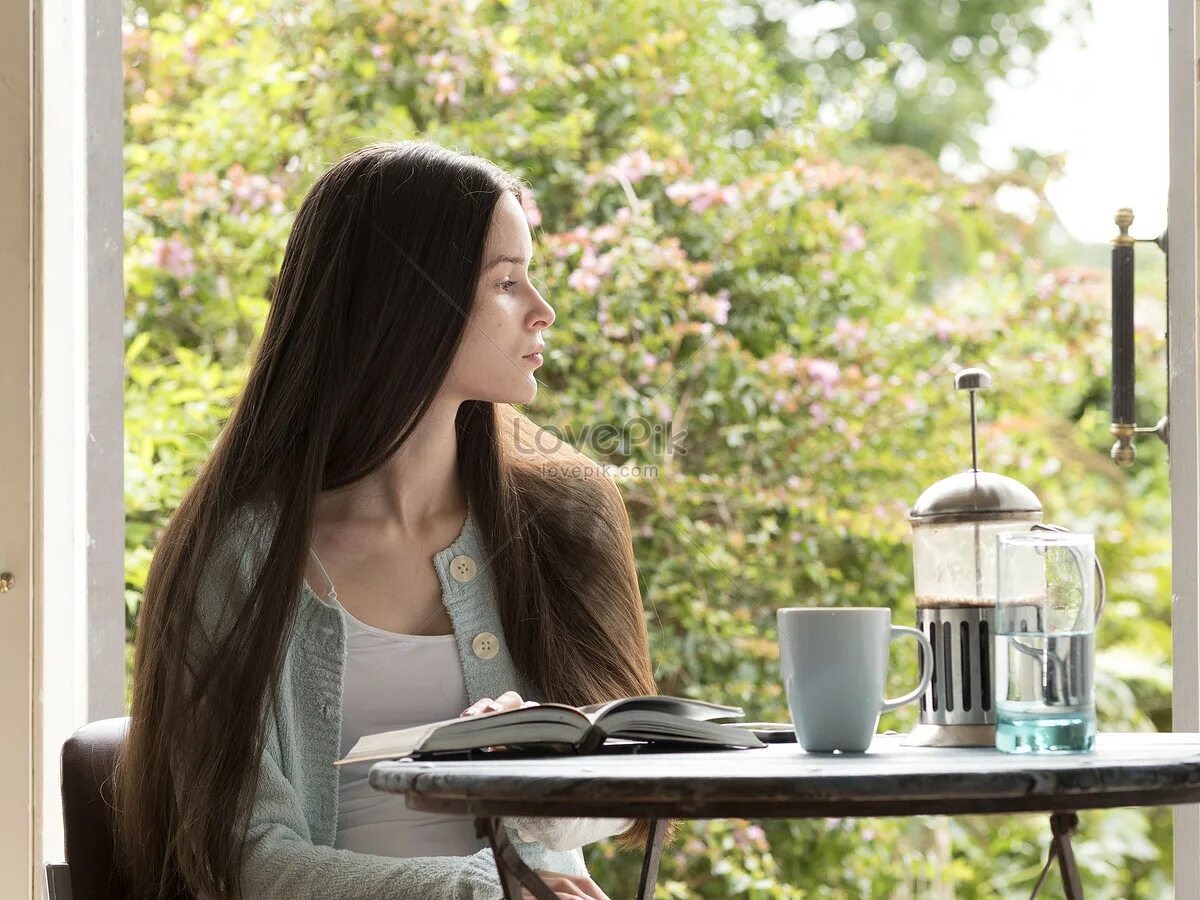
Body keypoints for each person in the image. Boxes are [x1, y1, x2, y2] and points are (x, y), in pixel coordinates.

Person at [114, 140, 673, 900]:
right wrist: (476, 893)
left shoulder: (566, 515)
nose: (543, 310)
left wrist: (531, 769)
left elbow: (631, 806)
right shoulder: (242, 556)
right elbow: (239, 856)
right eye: (508, 282)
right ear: (405, 308)